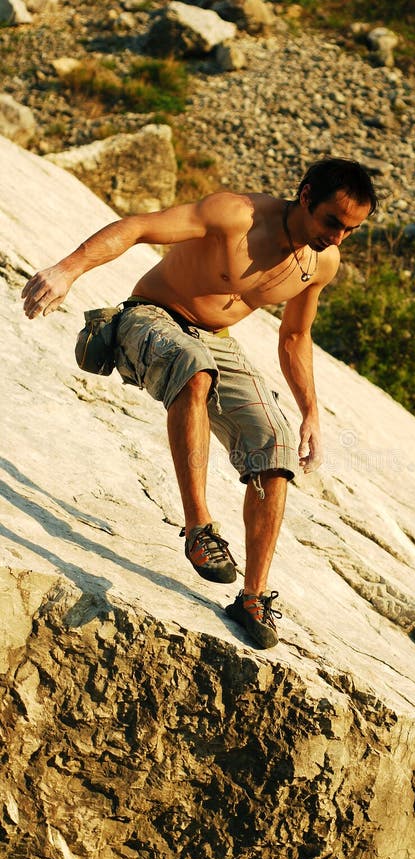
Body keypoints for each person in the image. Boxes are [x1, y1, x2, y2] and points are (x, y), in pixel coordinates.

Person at [22, 157, 378, 649]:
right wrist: (67, 270)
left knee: (273, 444)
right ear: (305, 194)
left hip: (216, 339)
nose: (337, 238)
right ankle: (198, 529)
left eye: (350, 231)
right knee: (194, 367)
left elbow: (295, 335)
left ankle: (254, 596)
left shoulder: (323, 262)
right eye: (332, 223)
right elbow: (138, 227)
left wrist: (311, 411)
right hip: (149, 316)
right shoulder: (236, 215)